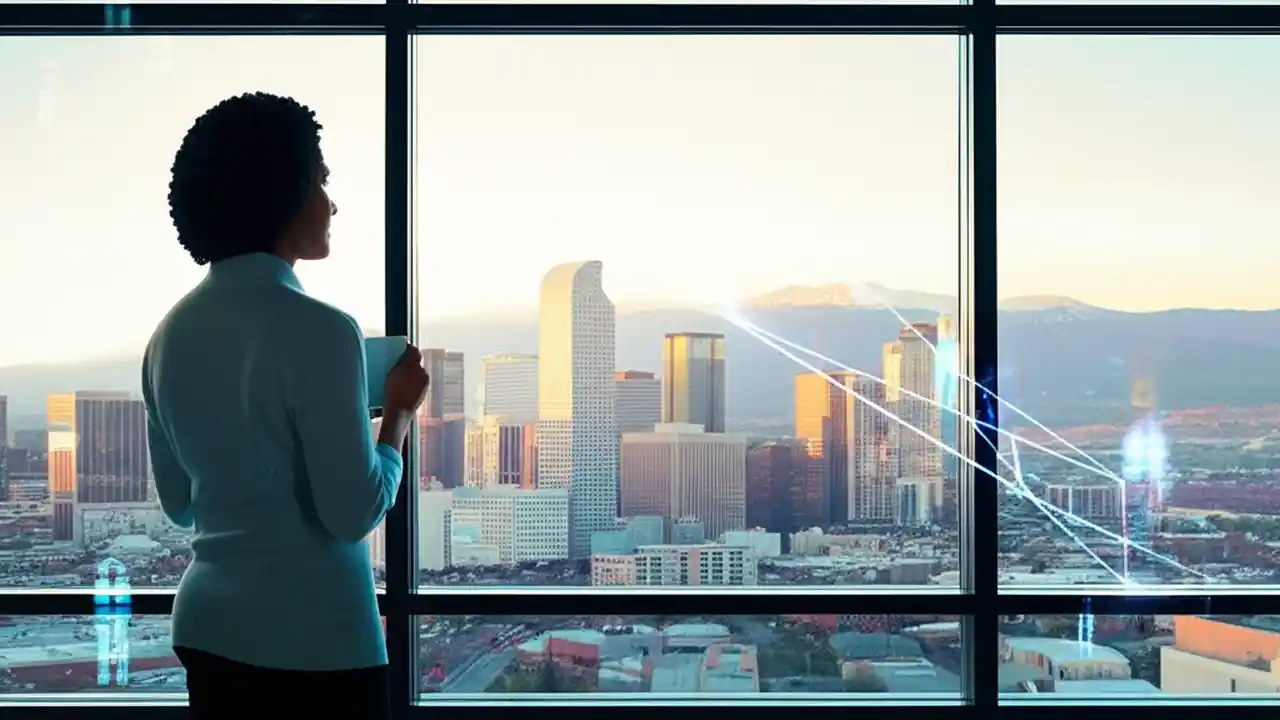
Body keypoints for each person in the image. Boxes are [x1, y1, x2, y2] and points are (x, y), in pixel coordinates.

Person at [142, 92, 428, 717]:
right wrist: (398, 416)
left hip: (207, 629)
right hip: (315, 641)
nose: (331, 203)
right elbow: (353, 511)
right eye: (321, 182)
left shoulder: (166, 337)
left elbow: (181, 505)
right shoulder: (322, 330)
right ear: (283, 192)